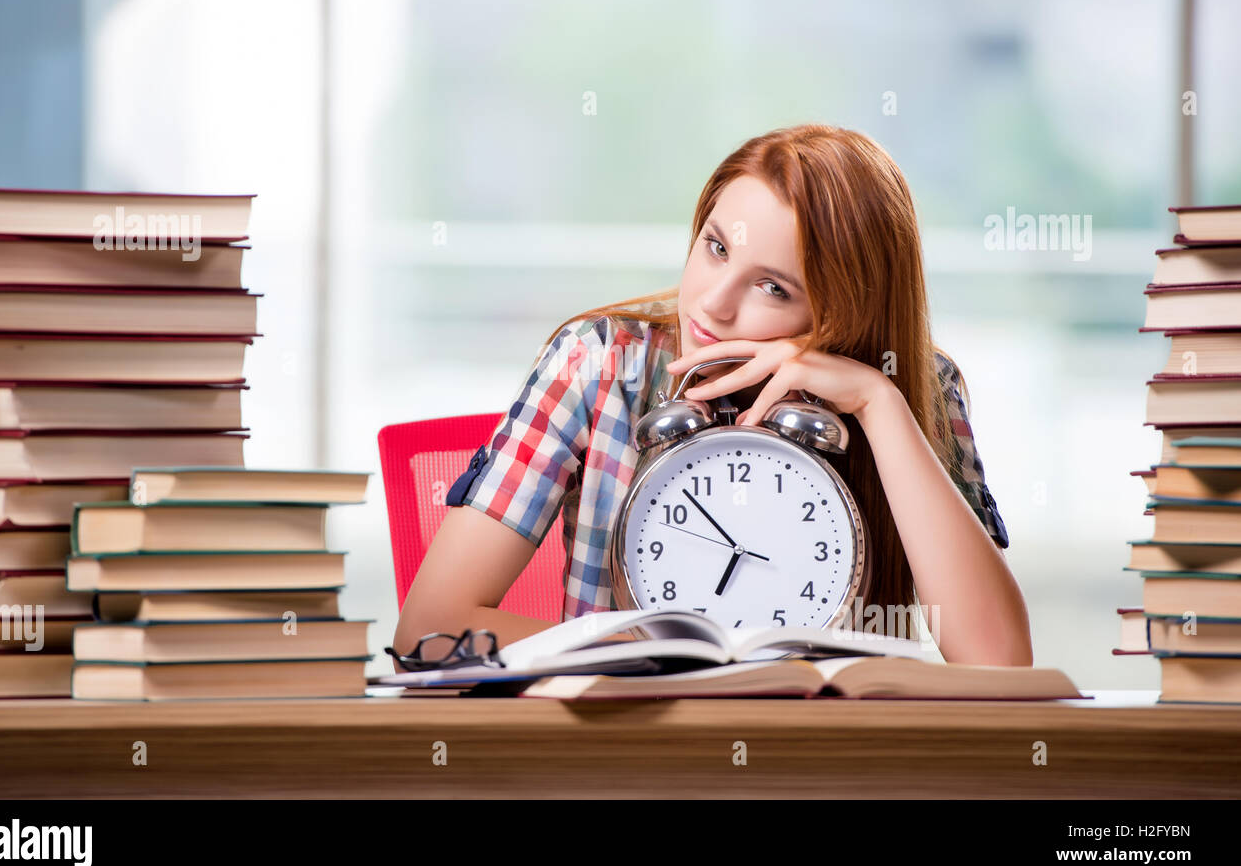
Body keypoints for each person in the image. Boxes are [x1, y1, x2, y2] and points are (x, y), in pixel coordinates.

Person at [392, 123, 1031, 669]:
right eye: (716, 247)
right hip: (627, 751)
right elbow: (429, 631)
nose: (713, 303)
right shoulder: (600, 362)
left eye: (773, 288)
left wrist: (877, 403)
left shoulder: (918, 387)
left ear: (848, 314)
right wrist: (652, 663)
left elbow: (998, 661)